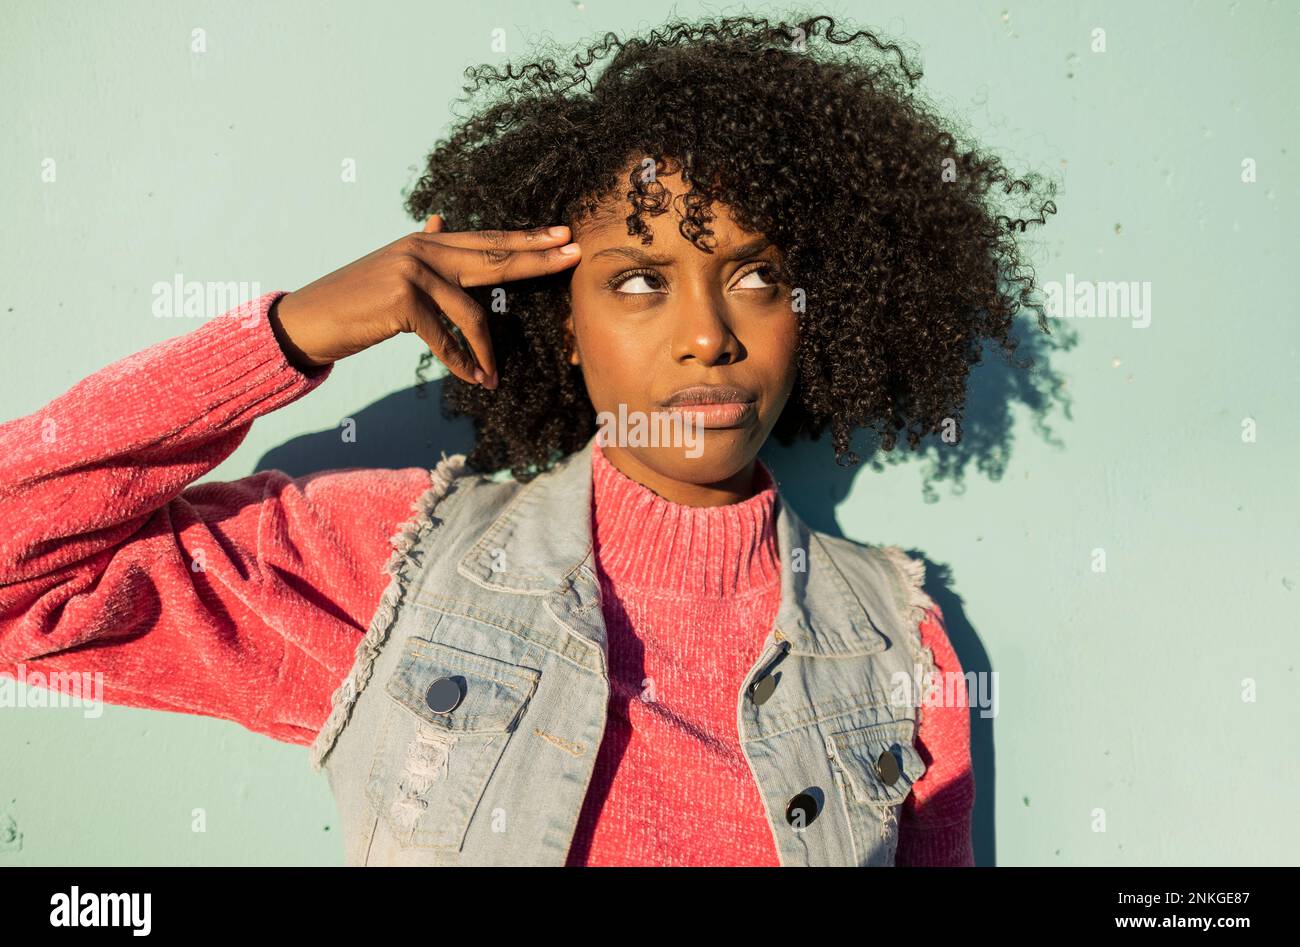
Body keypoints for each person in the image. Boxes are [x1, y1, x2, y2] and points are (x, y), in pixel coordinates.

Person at [0, 14, 1056, 866]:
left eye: (757, 276)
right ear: (564, 332)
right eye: (639, 281)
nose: (705, 334)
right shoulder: (394, 568)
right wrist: (291, 332)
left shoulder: (893, 640)